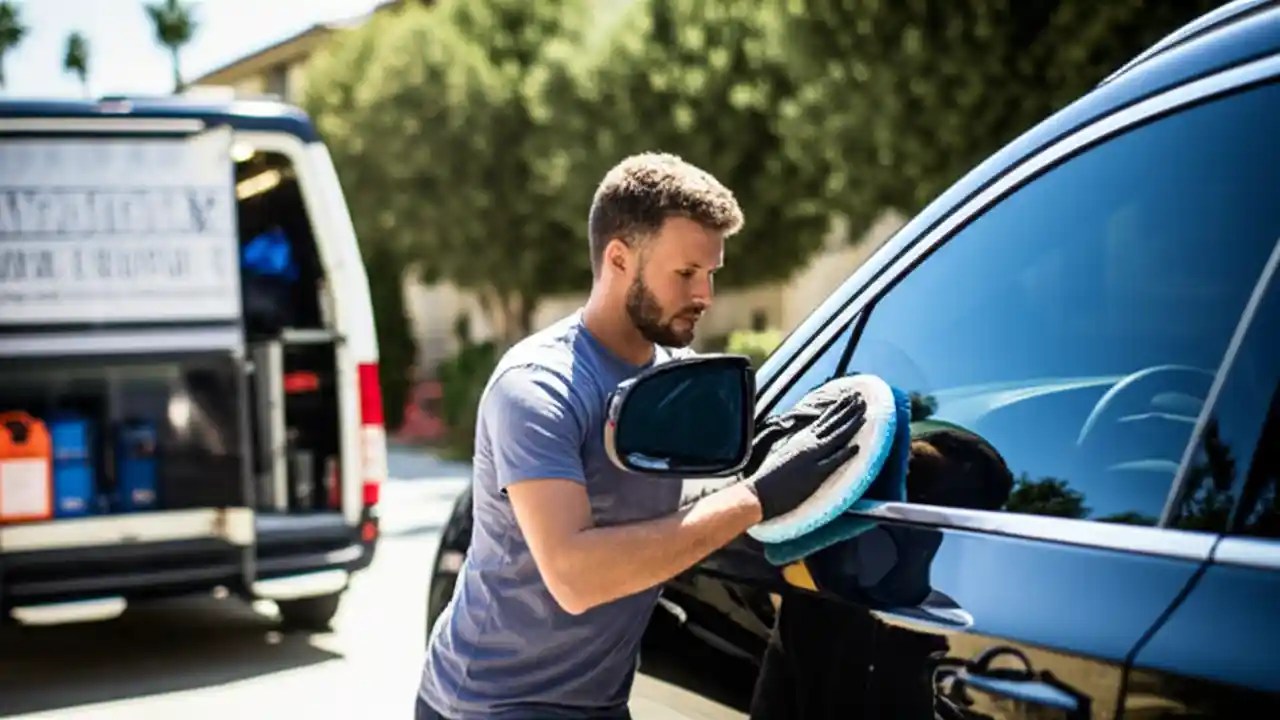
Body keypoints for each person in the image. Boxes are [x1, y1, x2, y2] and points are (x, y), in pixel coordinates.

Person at [416, 152, 868, 720]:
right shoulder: (537, 387)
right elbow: (574, 576)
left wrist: (782, 464)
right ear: (619, 259)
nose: (704, 294)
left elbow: (703, 493)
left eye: (711, 273)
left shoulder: (678, 374)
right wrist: (754, 498)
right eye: (685, 274)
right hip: (491, 704)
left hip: (601, 703)